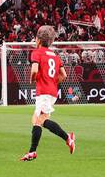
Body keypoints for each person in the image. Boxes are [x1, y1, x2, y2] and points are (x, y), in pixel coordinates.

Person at [20, 26, 76, 161]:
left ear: (38, 40)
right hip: (51, 91)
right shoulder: (55, 56)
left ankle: (34, 151)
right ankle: (68, 138)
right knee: (37, 119)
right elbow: (64, 75)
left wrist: (32, 79)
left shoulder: (37, 52)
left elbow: (34, 71)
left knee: (39, 120)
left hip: (44, 91)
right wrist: (52, 82)